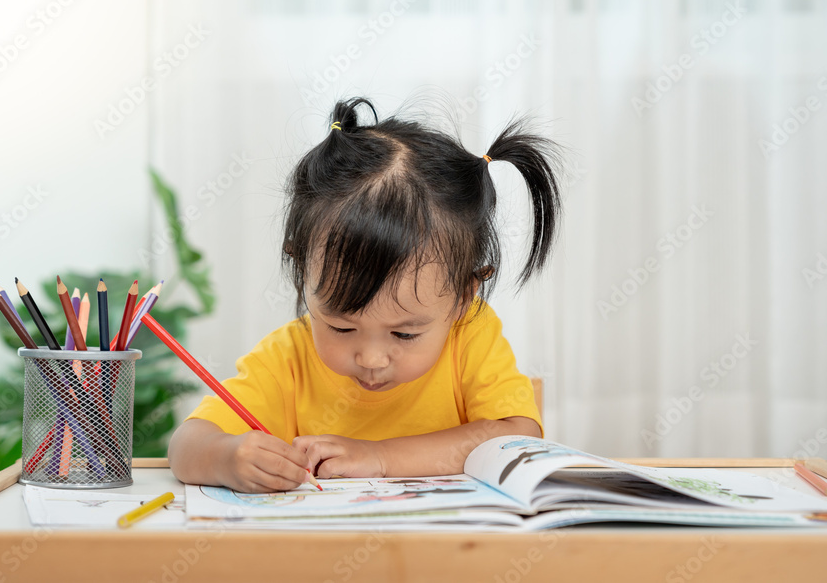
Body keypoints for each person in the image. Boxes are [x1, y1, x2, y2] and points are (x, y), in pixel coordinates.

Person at [169, 96, 562, 493]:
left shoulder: (469, 337)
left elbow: (517, 439)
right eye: (341, 327)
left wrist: (380, 457)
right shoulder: (289, 359)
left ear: (463, 297)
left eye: (405, 334)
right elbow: (186, 446)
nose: (371, 359)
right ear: (304, 275)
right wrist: (227, 458)